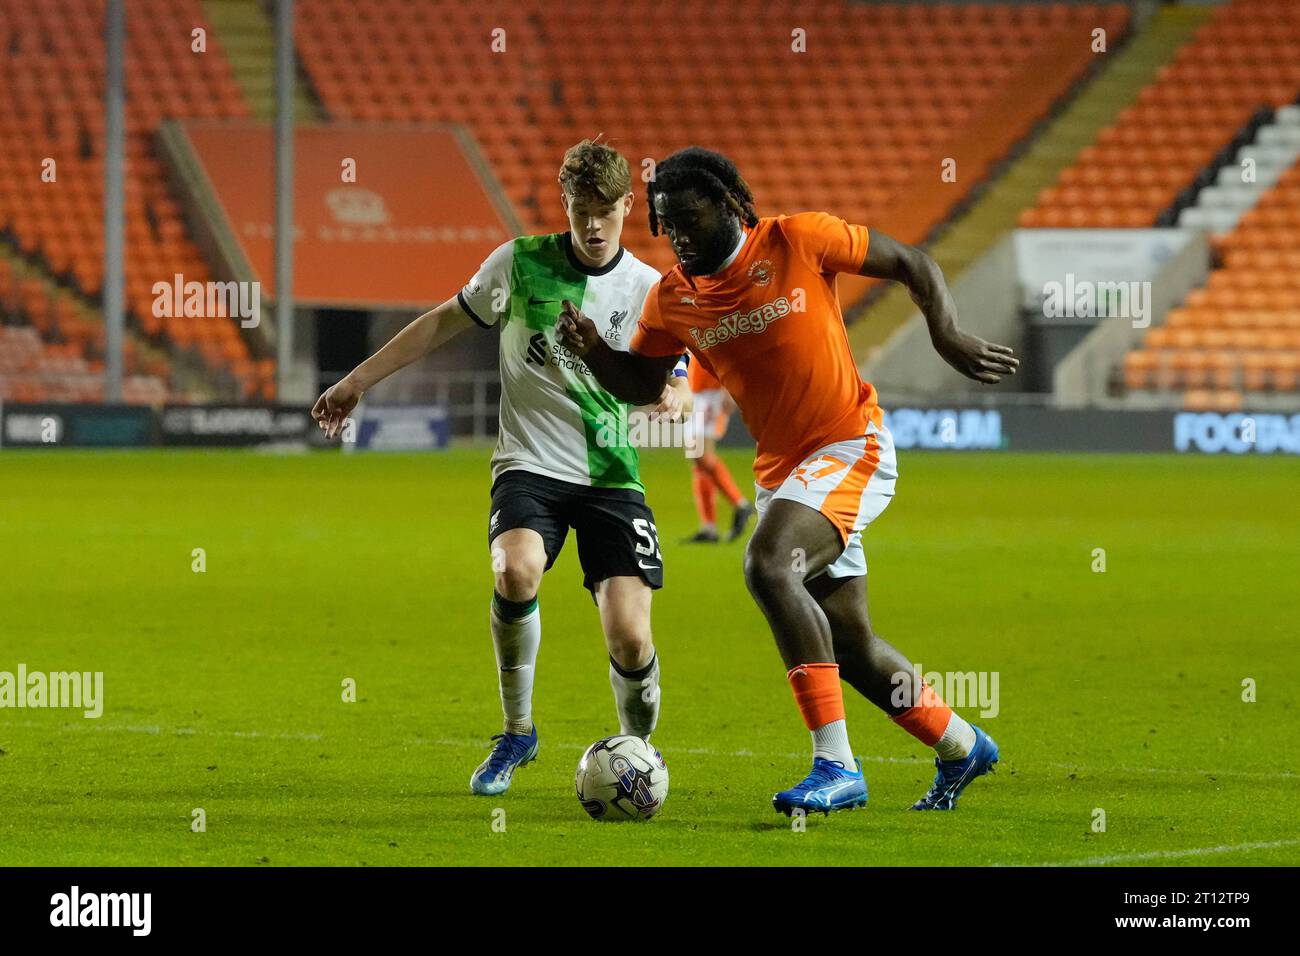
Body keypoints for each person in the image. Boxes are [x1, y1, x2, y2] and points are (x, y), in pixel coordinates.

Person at [557, 146, 1019, 814]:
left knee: (769, 565)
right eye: (666, 225)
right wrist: (597, 349)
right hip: (783, 474)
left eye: (689, 219)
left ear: (728, 206)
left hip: (849, 444)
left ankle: (836, 766)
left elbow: (911, 262)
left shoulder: (798, 239)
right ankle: (961, 744)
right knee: (851, 645)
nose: (678, 236)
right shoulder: (674, 298)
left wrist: (946, 333)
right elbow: (643, 381)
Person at [313, 140, 688, 797]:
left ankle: (640, 755)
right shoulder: (519, 264)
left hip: (610, 476)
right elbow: (439, 324)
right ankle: (518, 731)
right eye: (580, 210)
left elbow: (678, 377)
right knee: (515, 570)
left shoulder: (649, 290)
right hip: (530, 465)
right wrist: (357, 381)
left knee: (630, 638)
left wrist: (675, 395)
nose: (593, 225)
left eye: (605, 210)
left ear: (630, 205)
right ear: (564, 205)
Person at [682, 358, 753, 543]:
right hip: (695, 390)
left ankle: (741, 504)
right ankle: (709, 528)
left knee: (700, 454)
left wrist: (728, 388)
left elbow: (731, 351)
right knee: (698, 461)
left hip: (712, 393)